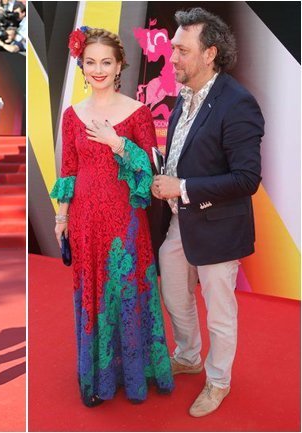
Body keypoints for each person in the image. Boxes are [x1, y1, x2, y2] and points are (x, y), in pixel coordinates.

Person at [50, 27, 174, 407]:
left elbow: (149, 171)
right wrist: (61, 218)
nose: (98, 70)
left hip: (125, 221)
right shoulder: (72, 115)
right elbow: (68, 170)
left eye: (106, 62)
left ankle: (134, 375)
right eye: (91, 62)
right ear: (82, 66)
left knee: (125, 291)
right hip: (85, 220)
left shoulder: (137, 113)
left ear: (120, 66)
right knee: (93, 292)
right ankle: (98, 375)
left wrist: (117, 143)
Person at [151, 8, 264, 417]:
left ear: (210, 53)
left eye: (182, 50)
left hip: (218, 226)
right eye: (173, 48)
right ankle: (189, 355)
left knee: (219, 312)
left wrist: (181, 187)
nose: (172, 57)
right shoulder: (185, 96)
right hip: (180, 221)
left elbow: (247, 178)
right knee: (173, 291)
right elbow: (191, 154)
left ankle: (218, 381)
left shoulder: (238, 103)